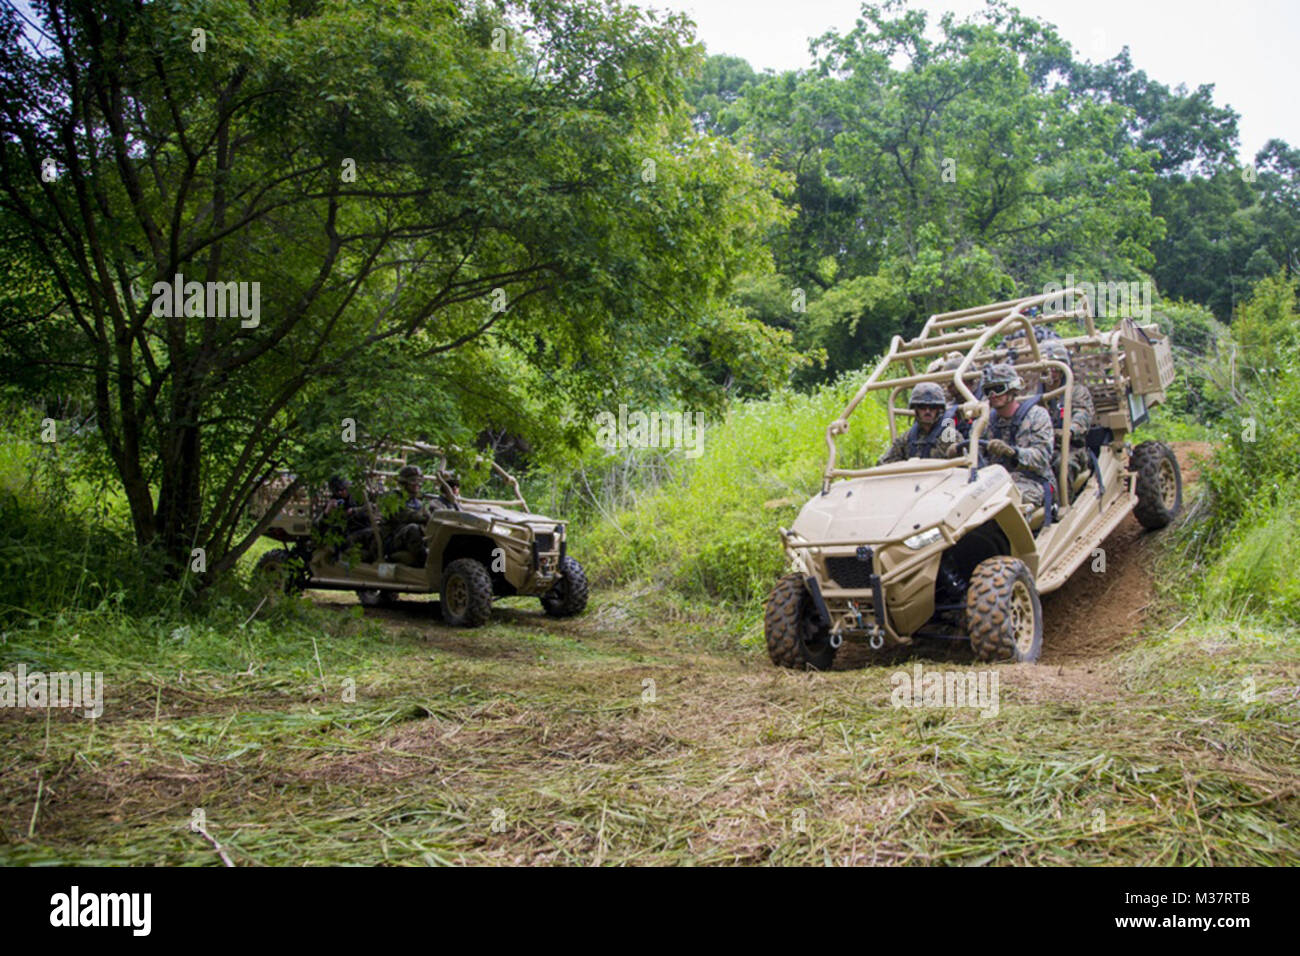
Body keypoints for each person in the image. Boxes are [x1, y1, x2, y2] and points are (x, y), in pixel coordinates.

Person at [952, 363, 1055, 521]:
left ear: (1012, 389)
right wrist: (959, 453)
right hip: (991, 484)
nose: (993, 395)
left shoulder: (1037, 416)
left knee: (999, 504)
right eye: (988, 391)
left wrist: (1014, 453)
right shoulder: (984, 421)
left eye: (998, 388)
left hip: (1031, 481)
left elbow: (1042, 457)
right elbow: (974, 457)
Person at [1041, 340, 1095, 489]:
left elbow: (1082, 415)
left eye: (1056, 367)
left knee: (1062, 465)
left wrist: (1069, 431)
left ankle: (1061, 508)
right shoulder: (1036, 395)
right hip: (1040, 447)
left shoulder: (1075, 392)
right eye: (1048, 368)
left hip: (1071, 448)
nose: (1052, 372)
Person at [878, 382, 956, 464]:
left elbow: (964, 464)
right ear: (915, 409)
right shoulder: (907, 438)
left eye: (933, 407)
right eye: (922, 407)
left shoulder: (950, 436)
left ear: (938, 409)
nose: (927, 411)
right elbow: (884, 463)